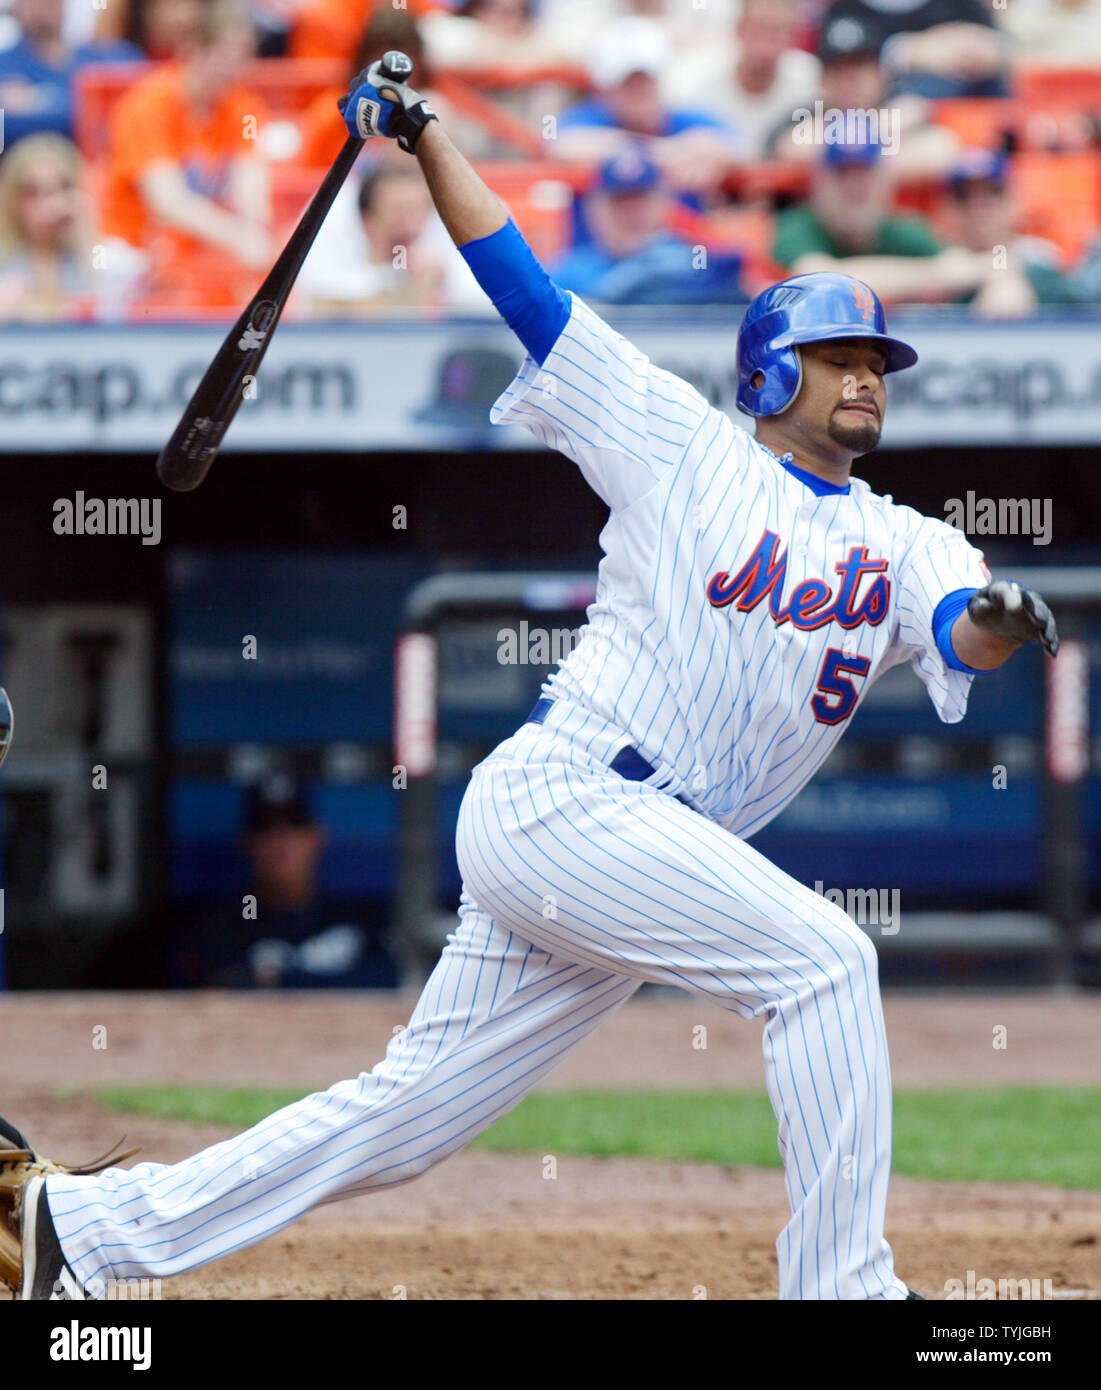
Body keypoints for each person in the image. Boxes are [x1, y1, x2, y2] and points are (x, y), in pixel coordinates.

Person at [1, 53, 1060, 1304]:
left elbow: (960, 626)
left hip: (638, 848)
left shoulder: (906, 537)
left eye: (878, 356)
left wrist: (997, 617)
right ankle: (845, 1289)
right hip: (572, 800)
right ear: (773, 375)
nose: (868, 373)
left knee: (406, 1120)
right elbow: (523, 283)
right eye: (839, 355)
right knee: (827, 962)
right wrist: (426, 133)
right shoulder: (680, 441)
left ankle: (94, 1230)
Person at [98, 0, 273, 307]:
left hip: (202, 245)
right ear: (193, 48)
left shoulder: (244, 109)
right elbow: (167, 201)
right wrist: (240, 238)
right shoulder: (147, 105)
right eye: (223, 51)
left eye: (243, 53)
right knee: (119, 265)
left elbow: (252, 187)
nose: (234, 64)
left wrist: (256, 234)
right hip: (134, 244)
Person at [170, 775, 400, 990]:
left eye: (294, 825)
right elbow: (223, 985)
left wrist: (278, 979)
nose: (280, 841)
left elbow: (391, 979)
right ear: (247, 842)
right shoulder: (224, 925)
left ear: (316, 837)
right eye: (266, 827)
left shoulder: (360, 918)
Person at [773, 138, 1006, 306]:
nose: (855, 187)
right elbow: (820, 281)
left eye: (866, 174)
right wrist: (934, 276)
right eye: (843, 174)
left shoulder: (904, 229)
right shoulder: (796, 226)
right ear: (820, 182)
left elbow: (964, 266)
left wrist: (1005, 280)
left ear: (885, 181)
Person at [554, 16, 743, 208]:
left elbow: (739, 147)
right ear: (605, 88)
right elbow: (562, 145)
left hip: (685, 236)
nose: (639, 91)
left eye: (646, 80)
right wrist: (665, 153)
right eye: (627, 82)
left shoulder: (689, 116)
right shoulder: (588, 118)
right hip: (603, 238)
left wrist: (710, 150)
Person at [768, 10, 960, 179]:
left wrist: (838, 156)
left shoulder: (901, 106)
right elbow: (791, 148)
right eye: (838, 68)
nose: (850, 79)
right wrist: (884, 126)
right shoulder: (807, 114)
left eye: (859, 67)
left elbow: (942, 149)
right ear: (822, 79)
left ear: (881, 75)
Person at [551, 146, 745, 305]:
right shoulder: (566, 276)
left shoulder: (697, 264)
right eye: (619, 203)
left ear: (665, 204)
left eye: (641, 203)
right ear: (594, 209)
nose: (631, 214)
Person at [296, 162, 483, 315]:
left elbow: (488, 292)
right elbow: (317, 294)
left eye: (417, 211)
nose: (409, 223)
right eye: (397, 210)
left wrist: (441, 276)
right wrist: (390, 280)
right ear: (367, 218)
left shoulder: (442, 231)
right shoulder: (332, 226)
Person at [667, 0, 820, 161]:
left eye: (776, 32)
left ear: (793, 36)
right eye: (756, 30)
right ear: (738, 29)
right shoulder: (698, 78)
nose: (765, 43)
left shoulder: (810, 80)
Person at [943, 148, 1072, 317]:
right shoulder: (941, 260)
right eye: (965, 197)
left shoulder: (1039, 260)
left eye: (992, 195)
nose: (978, 209)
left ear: (1013, 201)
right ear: (950, 207)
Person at [0, 0, 141, 148]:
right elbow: (6, 125)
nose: (44, 4)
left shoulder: (100, 56)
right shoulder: (5, 63)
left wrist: (40, 99)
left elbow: (139, 95)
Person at [818, 0, 1010, 100]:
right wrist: (907, 51)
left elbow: (995, 49)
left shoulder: (960, 4)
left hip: (968, 101)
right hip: (890, 115)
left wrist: (968, 47)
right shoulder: (846, 9)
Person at [0, 132, 95, 320]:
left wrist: (87, 234)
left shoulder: (98, 253)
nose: (48, 204)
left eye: (61, 188)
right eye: (32, 192)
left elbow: (109, 286)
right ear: (12, 199)